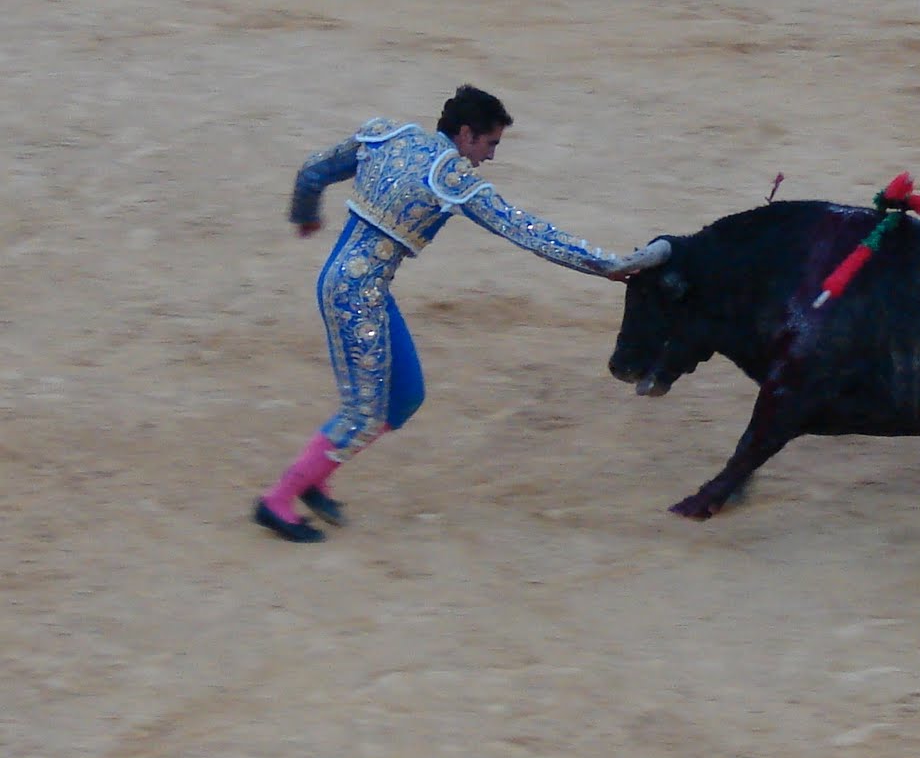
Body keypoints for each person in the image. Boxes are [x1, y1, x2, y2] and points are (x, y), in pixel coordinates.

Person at [253, 84, 659, 543]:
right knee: (364, 413)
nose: (489, 157)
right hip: (355, 295)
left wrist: (304, 215)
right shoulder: (451, 180)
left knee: (404, 395)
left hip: (363, 289)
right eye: (489, 144)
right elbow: (527, 232)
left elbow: (312, 172)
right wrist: (607, 265)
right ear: (466, 135)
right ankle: (278, 500)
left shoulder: (387, 135)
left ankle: (315, 476)